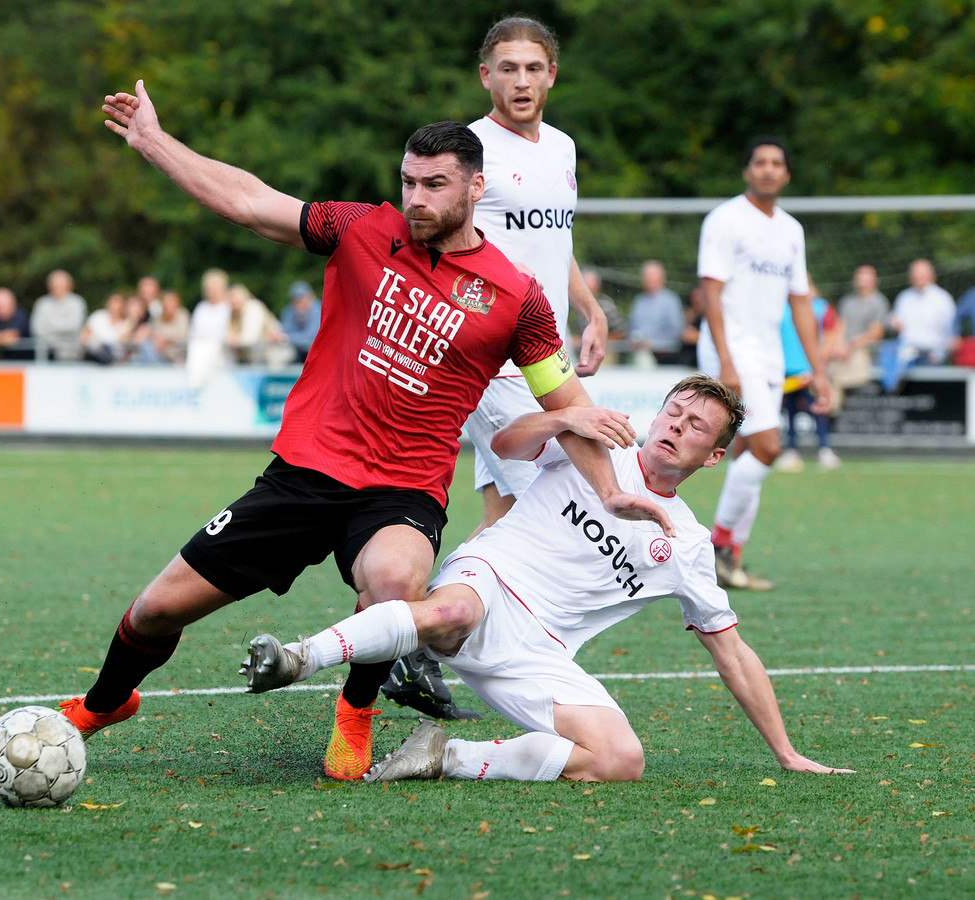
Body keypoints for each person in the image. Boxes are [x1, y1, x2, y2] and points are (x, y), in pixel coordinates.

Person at [57, 81, 672, 783]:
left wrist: (611, 491)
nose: (415, 198)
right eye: (408, 181)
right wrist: (154, 143)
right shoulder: (362, 229)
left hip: (401, 491)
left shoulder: (518, 299)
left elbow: (568, 405)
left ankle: (355, 711)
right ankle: (103, 705)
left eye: (434, 184)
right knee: (156, 609)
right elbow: (252, 202)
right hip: (303, 471)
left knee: (392, 580)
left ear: (476, 187)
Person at [241, 375, 854, 783]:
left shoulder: (688, 544)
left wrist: (787, 753)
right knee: (450, 613)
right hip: (489, 580)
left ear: (713, 456)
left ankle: (445, 754)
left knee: (620, 760)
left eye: (697, 427)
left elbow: (733, 654)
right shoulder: (597, 448)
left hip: (539, 652)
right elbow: (506, 443)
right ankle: (299, 656)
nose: (677, 425)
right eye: (675, 410)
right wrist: (566, 417)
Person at [385, 15, 612, 721]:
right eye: (506, 68)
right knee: (566, 495)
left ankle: (408, 633)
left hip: (541, 354)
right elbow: (427, 236)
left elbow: (556, 241)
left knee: (507, 517)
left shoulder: (563, 148)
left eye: (532, 68)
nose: (520, 80)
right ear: (485, 75)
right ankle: (458, 641)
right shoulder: (468, 149)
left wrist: (589, 312)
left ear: (551, 74)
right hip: (488, 358)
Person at [697, 137, 829, 592]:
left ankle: (728, 559)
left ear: (787, 174)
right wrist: (725, 360)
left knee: (745, 456)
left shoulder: (792, 231)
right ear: (747, 171)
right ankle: (713, 547)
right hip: (732, 351)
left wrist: (821, 371)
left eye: (777, 164)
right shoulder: (725, 219)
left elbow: (800, 306)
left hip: (770, 357)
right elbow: (710, 293)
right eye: (760, 163)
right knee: (768, 447)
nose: (769, 170)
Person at [775, 280, 843, 472]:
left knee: (818, 411)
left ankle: (824, 449)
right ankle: (792, 450)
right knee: (789, 412)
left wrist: (820, 364)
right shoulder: (781, 308)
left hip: (810, 371)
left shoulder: (820, 307)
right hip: (786, 370)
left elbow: (832, 333)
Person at [827, 264, 889, 402]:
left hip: (866, 354)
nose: (863, 281)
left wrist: (849, 346)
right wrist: (838, 346)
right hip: (843, 353)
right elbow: (840, 327)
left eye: (867, 277)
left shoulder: (878, 302)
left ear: (875, 280)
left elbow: (875, 333)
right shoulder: (847, 301)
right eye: (860, 276)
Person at [889, 258, 955, 370]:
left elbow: (951, 330)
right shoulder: (904, 297)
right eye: (915, 273)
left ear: (931, 275)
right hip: (907, 355)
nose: (918, 277)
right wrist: (894, 323)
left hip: (933, 356)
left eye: (922, 273)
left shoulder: (943, 299)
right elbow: (894, 321)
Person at [629, 260, 686, 364]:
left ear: (662, 278)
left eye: (653, 276)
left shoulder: (671, 301)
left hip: (664, 355)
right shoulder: (639, 301)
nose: (649, 279)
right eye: (647, 276)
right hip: (638, 352)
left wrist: (653, 342)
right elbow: (632, 327)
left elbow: (676, 330)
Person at [569, 268, 627, 366]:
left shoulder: (607, 306)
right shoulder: (578, 309)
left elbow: (622, 333)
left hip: (606, 351)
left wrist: (602, 339)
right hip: (584, 351)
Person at [186, 268, 234, 386]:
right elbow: (194, 331)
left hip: (221, 351)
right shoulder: (201, 307)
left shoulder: (229, 307)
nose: (213, 291)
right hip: (200, 348)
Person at [31, 269, 88, 362]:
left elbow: (74, 326)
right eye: (55, 284)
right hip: (46, 356)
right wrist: (61, 331)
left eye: (61, 284)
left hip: (72, 356)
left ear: (69, 285)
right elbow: (37, 329)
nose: (57, 287)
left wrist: (51, 327)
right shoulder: (42, 304)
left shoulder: (77, 303)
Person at [227, 283, 289, 364]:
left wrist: (234, 340)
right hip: (256, 354)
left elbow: (250, 338)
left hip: (276, 352)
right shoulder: (232, 313)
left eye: (235, 298)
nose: (233, 301)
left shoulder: (253, 307)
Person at [81, 292, 132, 364]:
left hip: (114, 357)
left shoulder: (125, 323)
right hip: (94, 354)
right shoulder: (98, 316)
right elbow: (86, 334)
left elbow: (123, 341)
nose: (115, 306)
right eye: (113, 302)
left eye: (118, 303)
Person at [280, 280, 321, 362]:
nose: (299, 302)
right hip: (295, 351)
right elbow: (284, 331)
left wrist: (287, 338)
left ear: (311, 297)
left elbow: (311, 337)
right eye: (296, 300)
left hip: (316, 354)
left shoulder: (318, 309)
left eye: (302, 298)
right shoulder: (290, 310)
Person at [150, 289, 190, 364]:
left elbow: (182, 335)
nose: (170, 305)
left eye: (172, 301)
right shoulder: (158, 319)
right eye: (167, 302)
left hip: (181, 355)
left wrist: (165, 339)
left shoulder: (182, 315)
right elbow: (156, 339)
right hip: (162, 356)